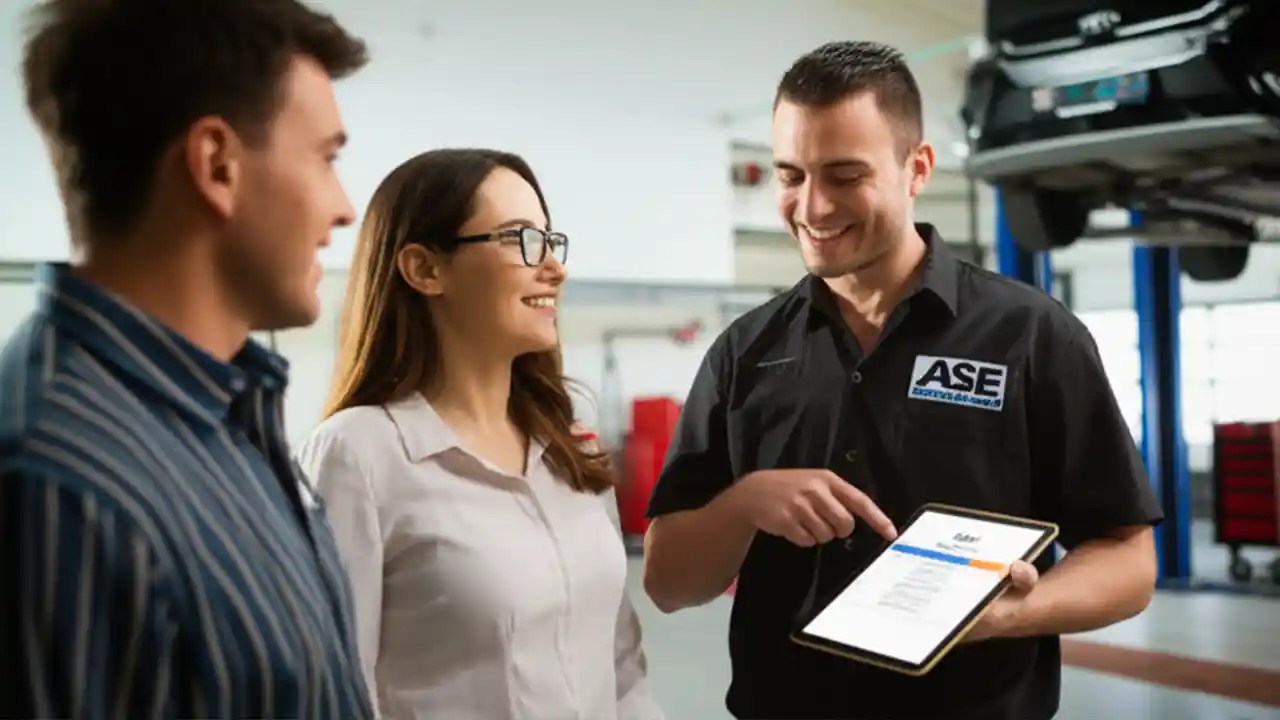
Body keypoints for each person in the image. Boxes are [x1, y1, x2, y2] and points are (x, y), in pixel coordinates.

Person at [642, 40, 1163, 720]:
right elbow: (669, 583)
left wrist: (1010, 613)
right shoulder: (745, 353)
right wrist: (742, 503)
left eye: (844, 175)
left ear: (917, 169)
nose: (814, 207)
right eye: (790, 174)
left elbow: (1129, 560)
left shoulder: (1030, 336)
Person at [0, 1, 374, 718]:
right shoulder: (57, 483)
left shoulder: (227, 419)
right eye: (327, 159)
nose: (345, 207)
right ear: (216, 164)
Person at [294, 148, 664, 720]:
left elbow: (621, 669)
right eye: (520, 240)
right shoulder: (359, 454)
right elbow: (334, 692)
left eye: (550, 240)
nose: (554, 268)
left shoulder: (572, 448)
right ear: (425, 269)